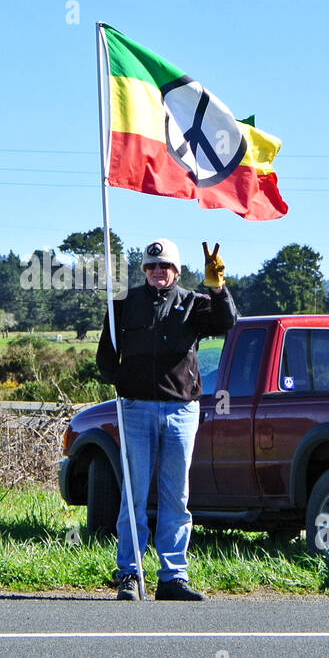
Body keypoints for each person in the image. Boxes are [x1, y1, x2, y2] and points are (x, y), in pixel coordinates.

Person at [96, 237, 236, 601]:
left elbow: (227, 322)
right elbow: (106, 355)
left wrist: (218, 287)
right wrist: (117, 378)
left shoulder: (194, 303)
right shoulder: (123, 304)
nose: (158, 272)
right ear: (144, 270)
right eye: (151, 266)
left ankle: (172, 577)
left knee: (176, 497)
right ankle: (130, 574)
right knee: (134, 495)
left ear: (176, 270)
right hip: (136, 408)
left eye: (165, 266)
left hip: (181, 410)